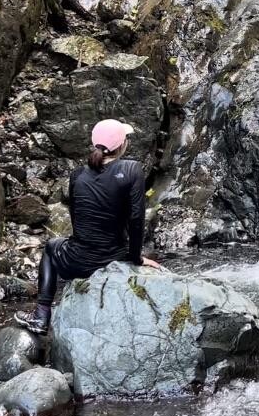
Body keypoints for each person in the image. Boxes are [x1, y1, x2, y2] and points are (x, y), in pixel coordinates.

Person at [15, 119, 160, 334]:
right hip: (114, 258)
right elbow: (136, 219)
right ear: (122, 146)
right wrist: (136, 258)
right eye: (126, 138)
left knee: (51, 247)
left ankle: (41, 315)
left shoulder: (78, 175)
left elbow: (78, 219)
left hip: (79, 262)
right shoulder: (132, 170)